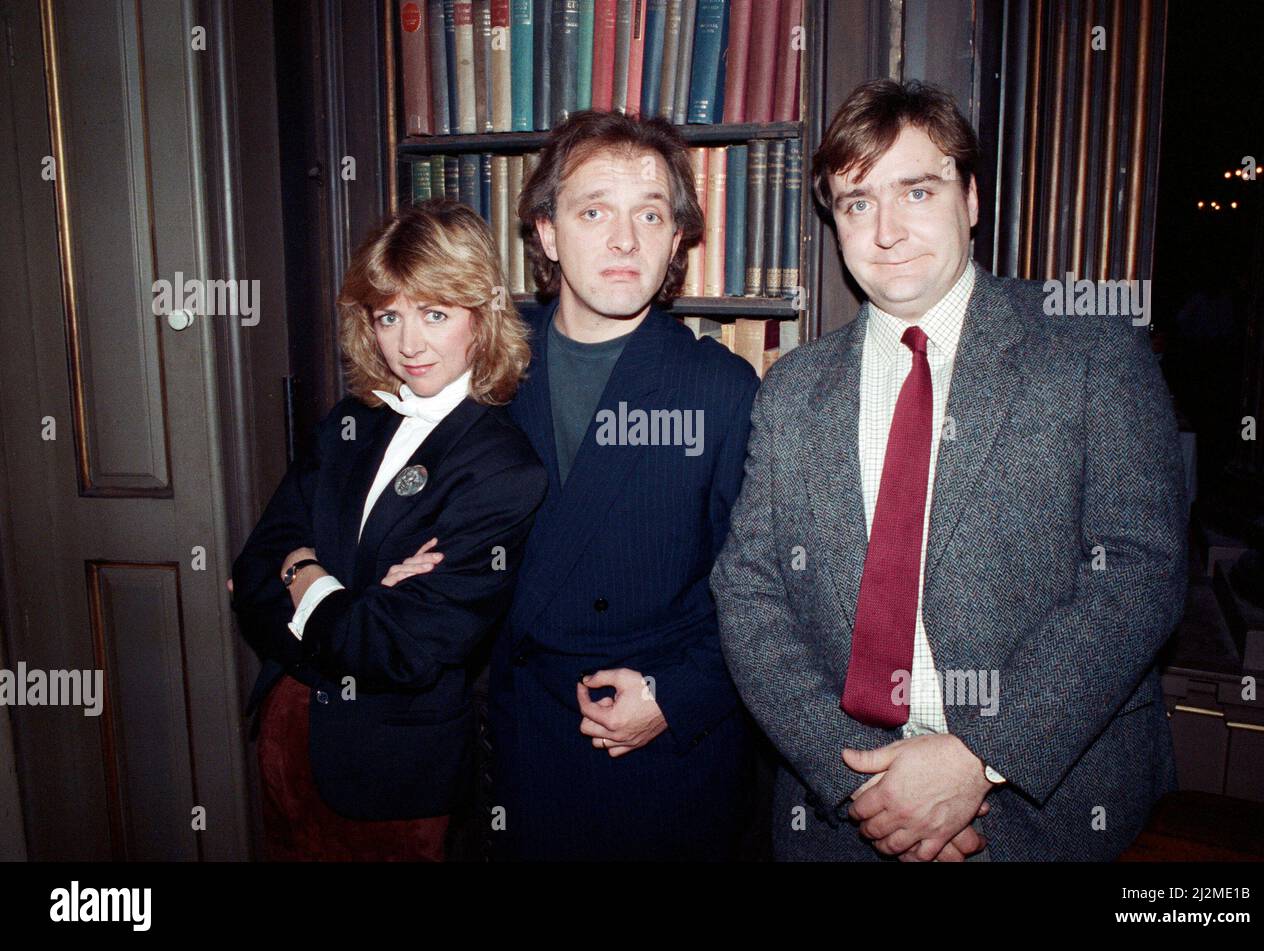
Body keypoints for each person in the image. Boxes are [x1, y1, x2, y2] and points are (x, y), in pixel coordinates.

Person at [711, 79, 1187, 862]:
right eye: (858, 202)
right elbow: (748, 589)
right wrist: (863, 782)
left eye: (917, 191)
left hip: (1052, 814)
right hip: (847, 819)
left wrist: (980, 755)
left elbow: (1141, 572)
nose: (887, 230)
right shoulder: (793, 387)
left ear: (970, 198)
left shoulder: (1092, 350)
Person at [230, 199, 546, 860]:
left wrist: (304, 570)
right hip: (287, 737)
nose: (408, 343)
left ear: (480, 317)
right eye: (389, 316)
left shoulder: (502, 466)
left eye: (435, 313)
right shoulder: (351, 420)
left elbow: (397, 647)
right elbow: (250, 576)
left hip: (388, 777)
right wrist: (350, 591)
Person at [485, 110, 760, 860]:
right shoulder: (489, 366)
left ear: (677, 240)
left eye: (650, 214)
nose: (623, 239)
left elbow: (763, 592)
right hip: (513, 754)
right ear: (546, 232)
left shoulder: (721, 388)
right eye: (594, 210)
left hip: (658, 768)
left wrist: (678, 697)